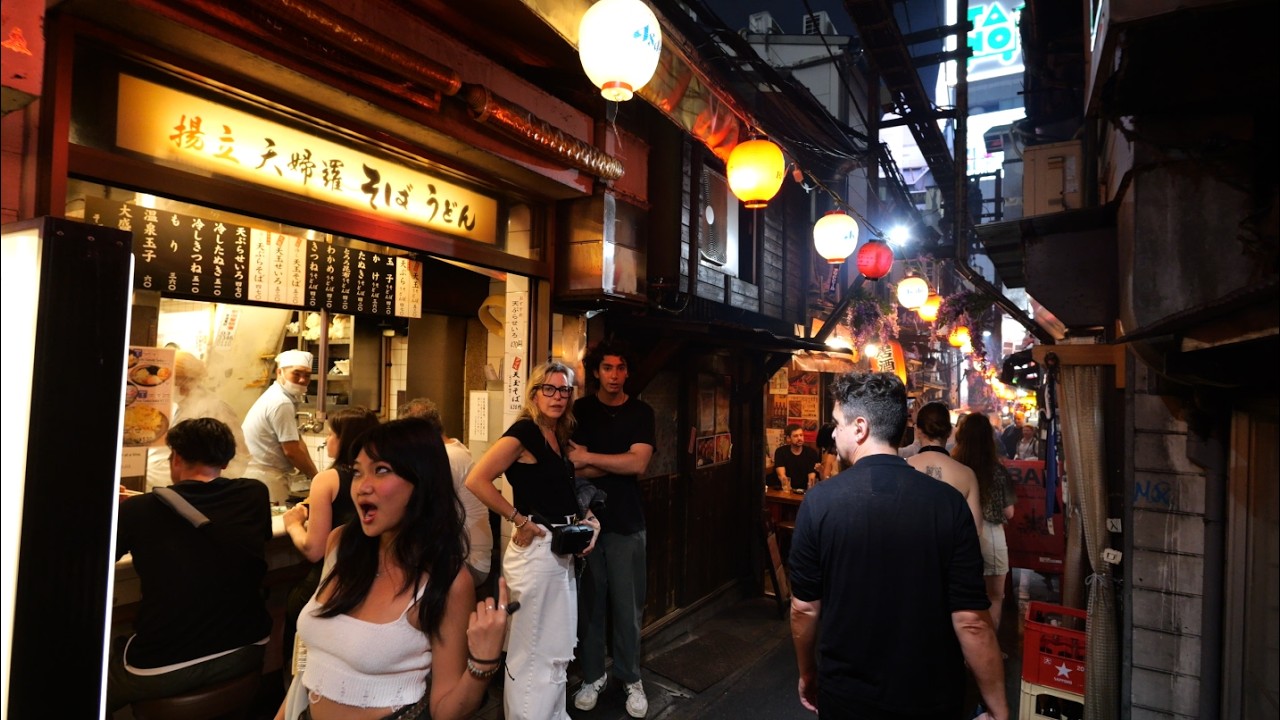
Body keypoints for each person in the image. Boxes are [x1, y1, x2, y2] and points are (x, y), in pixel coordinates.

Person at [788, 372, 1007, 720]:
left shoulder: (819, 503)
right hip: (931, 694)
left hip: (847, 696)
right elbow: (971, 620)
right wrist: (998, 707)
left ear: (859, 427)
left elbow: (804, 609)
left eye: (836, 423)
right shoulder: (948, 504)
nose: (832, 433)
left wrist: (807, 673)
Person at [280, 417, 511, 720]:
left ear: (422, 482)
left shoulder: (448, 581)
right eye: (358, 472)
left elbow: (445, 710)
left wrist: (483, 661)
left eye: (381, 471)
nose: (362, 486)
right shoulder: (340, 545)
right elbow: (309, 667)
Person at [464, 361, 601, 720]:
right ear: (535, 393)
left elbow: (562, 492)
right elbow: (477, 479)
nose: (558, 396)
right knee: (532, 651)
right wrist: (517, 518)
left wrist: (589, 518)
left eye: (565, 389)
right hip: (536, 553)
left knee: (556, 648)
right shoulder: (524, 431)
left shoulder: (557, 433)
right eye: (550, 389)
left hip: (561, 551)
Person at [109, 418, 272, 713]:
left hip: (162, 667)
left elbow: (98, 558)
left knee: (82, 675)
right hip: (246, 650)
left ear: (177, 457)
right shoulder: (255, 494)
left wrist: (114, 511)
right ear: (225, 462)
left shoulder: (139, 509)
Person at [568, 340, 656, 718]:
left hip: (627, 521)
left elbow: (639, 465)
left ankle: (629, 676)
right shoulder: (581, 410)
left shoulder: (641, 412)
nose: (614, 375)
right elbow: (572, 467)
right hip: (586, 523)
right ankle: (592, 675)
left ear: (627, 371)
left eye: (621, 368)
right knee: (589, 605)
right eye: (607, 368)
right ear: (596, 371)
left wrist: (589, 457)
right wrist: (614, 462)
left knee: (627, 606)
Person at [281, 405, 381, 676]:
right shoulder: (382, 476)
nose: (327, 439)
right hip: (370, 587)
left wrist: (292, 525)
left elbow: (314, 550)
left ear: (345, 439)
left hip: (327, 588)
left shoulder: (327, 479)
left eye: (331, 433)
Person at [399, 397, 494, 588]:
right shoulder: (452, 449)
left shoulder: (448, 458)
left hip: (467, 563)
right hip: (461, 557)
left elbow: (424, 511)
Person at [145, 350, 252, 491]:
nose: (165, 386)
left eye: (171, 381)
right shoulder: (175, 405)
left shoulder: (215, 409)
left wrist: (206, 489)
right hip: (160, 487)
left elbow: (238, 457)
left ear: (187, 380)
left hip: (191, 493)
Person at [954, 412, 1018, 633]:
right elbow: (1009, 512)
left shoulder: (954, 467)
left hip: (959, 535)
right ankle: (990, 649)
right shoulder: (998, 471)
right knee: (994, 597)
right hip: (991, 535)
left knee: (962, 597)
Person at [243, 349, 320, 503]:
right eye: (296, 374)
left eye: (307, 375)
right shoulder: (281, 403)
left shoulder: (279, 396)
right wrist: (317, 478)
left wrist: (317, 476)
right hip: (265, 479)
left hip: (260, 476)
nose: (302, 380)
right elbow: (291, 451)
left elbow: (297, 442)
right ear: (280, 372)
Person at [906, 401, 983, 532]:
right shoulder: (966, 474)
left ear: (918, 431)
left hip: (911, 550)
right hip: (949, 550)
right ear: (948, 432)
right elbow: (976, 528)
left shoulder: (903, 467)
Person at [771, 423, 820, 492]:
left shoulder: (811, 453)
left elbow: (811, 477)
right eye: (795, 436)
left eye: (801, 435)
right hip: (786, 490)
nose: (799, 438)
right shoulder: (781, 452)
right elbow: (781, 475)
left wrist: (809, 492)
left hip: (804, 490)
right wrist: (789, 491)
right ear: (788, 438)